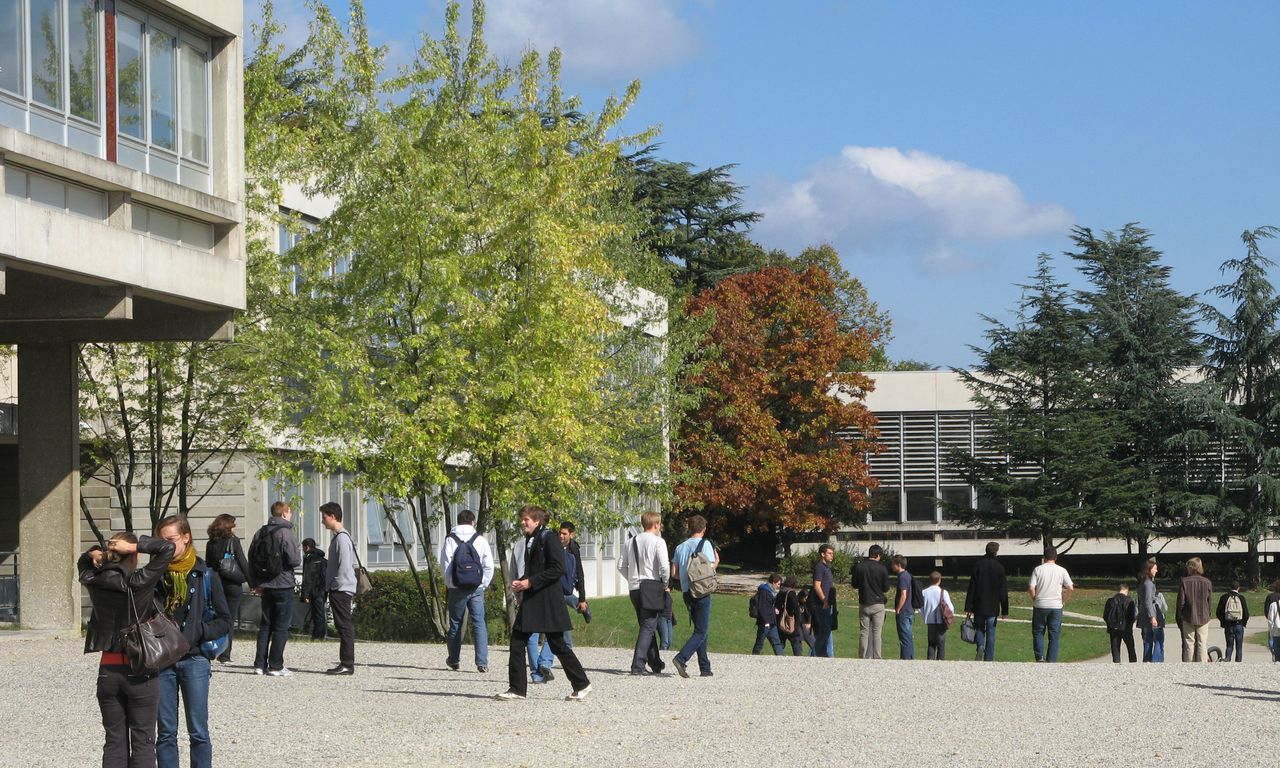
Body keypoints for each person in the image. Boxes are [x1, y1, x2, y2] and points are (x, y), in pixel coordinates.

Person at [80, 531, 176, 768]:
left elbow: (83, 564)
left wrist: (93, 553)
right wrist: (136, 545)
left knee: (114, 740)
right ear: (133, 556)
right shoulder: (138, 580)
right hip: (140, 668)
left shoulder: (94, 579)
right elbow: (167, 549)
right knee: (143, 741)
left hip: (108, 669)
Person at [153, 515, 232, 768]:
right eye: (161, 541)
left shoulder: (205, 574)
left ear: (186, 537)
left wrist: (198, 631)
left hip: (195, 658)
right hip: (163, 659)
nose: (166, 546)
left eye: (171, 540)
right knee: (165, 733)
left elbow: (225, 620)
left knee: (198, 731)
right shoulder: (155, 575)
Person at [496, 505, 592, 701]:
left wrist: (530, 582)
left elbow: (558, 569)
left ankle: (582, 684)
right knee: (518, 640)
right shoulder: (531, 539)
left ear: (537, 521)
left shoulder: (549, 538)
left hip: (548, 601)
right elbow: (537, 569)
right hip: (533, 599)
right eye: (522, 519)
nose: (523, 522)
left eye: (526, 519)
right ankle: (517, 689)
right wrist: (522, 583)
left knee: (558, 644)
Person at [529, 520, 589, 684]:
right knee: (557, 632)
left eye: (564, 534)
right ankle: (544, 664)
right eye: (559, 533)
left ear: (572, 534)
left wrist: (582, 599)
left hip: (565, 591)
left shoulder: (574, 548)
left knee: (558, 632)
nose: (561, 536)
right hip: (552, 592)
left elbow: (579, 572)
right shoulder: (551, 545)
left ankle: (544, 666)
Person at [248, 500, 302, 676]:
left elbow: (251, 557)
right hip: (283, 583)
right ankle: (276, 665)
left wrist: (255, 582)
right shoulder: (286, 532)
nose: (291, 515)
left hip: (265, 585)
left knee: (266, 625)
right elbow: (294, 560)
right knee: (281, 626)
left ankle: (259, 664)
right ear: (284, 513)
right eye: (290, 512)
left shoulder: (261, 532)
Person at [439, 509, 495, 674]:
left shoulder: (450, 539)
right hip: (476, 587)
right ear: (473, 522)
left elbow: (446, 565)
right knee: (479, 623)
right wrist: (483, 583)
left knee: (455, 623)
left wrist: (450, 584)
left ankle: (454, 659)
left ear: (458, 522)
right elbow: (488, 565)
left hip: (457, 588)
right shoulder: (480, 539)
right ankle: (482, 662)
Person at [618, 511, 669, 675]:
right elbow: (664, 566)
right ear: (656, 524)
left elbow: (621, 566)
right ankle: (638, 665)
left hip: (634, 588)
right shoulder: (658, 542)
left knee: (647, 625)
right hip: (651, 587)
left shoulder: (630, 541)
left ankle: (655, 663)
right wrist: (665, 583)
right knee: (648, 626)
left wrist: (632, 579)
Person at [670, 514, 717, 677]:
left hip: (686, 591)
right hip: (701, 591)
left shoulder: (680, 547)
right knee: (701, 631)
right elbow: (709, 569)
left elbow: (674, 574)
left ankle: (705, 667)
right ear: (704, 529)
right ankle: (681, 658)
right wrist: (716, 562)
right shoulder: (705, 544)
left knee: (700, 629)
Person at [204, 515, 248, 664]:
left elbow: (208, 565)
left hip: (216, 584)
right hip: (232, 584)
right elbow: (242, 562)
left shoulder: (210, 543)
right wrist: (252, 582)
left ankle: (212, 649)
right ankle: (225, 654)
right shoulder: (233, 541)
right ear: (228, 527)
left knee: (216, 617)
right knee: (229, 619)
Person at [321, 502, 357, 675]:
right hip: (340, 587)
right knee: (342, 625)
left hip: (341, 588)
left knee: (344, 626)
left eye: (324, 517)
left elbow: (343, 566)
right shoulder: (339, 537)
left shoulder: (342, 538)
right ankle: (346, 663)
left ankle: (347, 663)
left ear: (333, 516)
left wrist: (334, 585)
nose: (323, 521)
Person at [965, 541, 1009, 662]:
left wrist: (968, 606)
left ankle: (980, 646)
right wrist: (1005, 610)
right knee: (991, 632)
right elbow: (1003, 591)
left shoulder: (978, 565)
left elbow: (972, 587)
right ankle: (989, 657)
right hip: (993, 606)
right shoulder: (999, 567)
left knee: (979, 628)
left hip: (979, 604)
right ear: (996, 552)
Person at [1028, 546, 1073, 663]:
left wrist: (1035, 598)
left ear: (1044, 557)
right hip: (1056, 605)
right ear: (1056, 557)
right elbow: (1070, 587)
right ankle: (1052, 660)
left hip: (1040, 604)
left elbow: (1031, 587)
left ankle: (1040, 657)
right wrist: (1064, 600)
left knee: (1038, 631)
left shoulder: (1038, 569)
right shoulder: (1061, 570)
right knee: (1054, 633)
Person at [852, 544, 889, 659]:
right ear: (878, 555)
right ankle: (877, 656)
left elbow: (854, 584)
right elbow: (886, 588)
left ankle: (862, 655)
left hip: (864, 602)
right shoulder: (882, 568)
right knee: (877, 632)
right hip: (878, 603)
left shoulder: (859, 567)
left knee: (864, 631)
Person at [1176, 557, 1213, 662]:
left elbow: (1181, 602)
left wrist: (1181, 614)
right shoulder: (1207, 582)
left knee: (1189, 643)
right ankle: (1202, 665)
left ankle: (1189, 665)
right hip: (1204, 616)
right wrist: (1208, 613)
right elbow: (1209, 601)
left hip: (1188, 615)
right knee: (1202, 643)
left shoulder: (1184, 582)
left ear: (1191, 567)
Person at [919, 571, 954, 660]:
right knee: (941, 644)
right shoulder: (943, 592)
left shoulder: (924, 592)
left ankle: (930, 660)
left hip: (930, 621)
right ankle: (940, 661)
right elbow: (950, 607)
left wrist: (924, 618)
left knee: (931, 644)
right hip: (941, 620)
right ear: (939, 580)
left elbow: (921, 608)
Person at [1136, 559, 1166, 663]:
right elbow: (1148, 601)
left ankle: (1147, 660)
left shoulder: (1142, 581)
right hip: (1152, 613)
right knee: (1159, 638)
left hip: (1143, 613)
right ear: (1149, 569)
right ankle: (1156, 660)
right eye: (1155, 568)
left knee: (1147, 639)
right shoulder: (1148, 583)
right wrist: (1152, 617)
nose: (1156, 571)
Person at [299, 538, 328, 641]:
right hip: (322, 589)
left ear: (307, 547)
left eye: (303, 548)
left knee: (317, 614)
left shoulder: (309, 559)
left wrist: (305, 595)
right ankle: (320, 635)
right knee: (320, 613)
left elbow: (307, 578)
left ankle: (317, 636)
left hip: (314, 590)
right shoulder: (322, 558)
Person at [1215, 580, 1249, 663]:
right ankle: (1238, 662)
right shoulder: (1241, 598)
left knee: (1229, 645)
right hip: (1239, 624)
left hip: (1228, 625)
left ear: (1230, 587)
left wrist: (1223, 622)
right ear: (1238, 588)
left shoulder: (1224, 597)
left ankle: (1227, 659)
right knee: (1239, 646)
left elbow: (1218, 612)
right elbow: (1246, 613)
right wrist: (1243, 623)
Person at [1103, 582, 1138, 663]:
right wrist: (1130, 625)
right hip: (1126, 628)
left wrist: (1110, 624)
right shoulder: (1129, 601)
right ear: (1126, 590)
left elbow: (1105, 616)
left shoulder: (1110, 601)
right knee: (1131, 648)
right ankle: (1133, 664)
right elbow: (1132, 616)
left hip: (1114, 628)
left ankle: (1116, 664)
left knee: (1115, 649)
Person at [811, 545, 836, 657]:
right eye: (829, 553)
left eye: (832, 553)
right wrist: (824, 601)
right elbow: (817, 586)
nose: (832, 556)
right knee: (824, 632)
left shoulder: (826, 568)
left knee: (827, 631)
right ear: (822, 554)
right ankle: (813, 655)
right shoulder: (820, 567)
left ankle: (829, 655)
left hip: (828, 604)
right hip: (822, 605)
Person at [752, 574, 785, 655]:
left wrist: (774, 609)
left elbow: (768, 605)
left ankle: (781, 658)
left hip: (771, 621)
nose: (779, 586)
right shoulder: (764, 591)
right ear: (774, 582)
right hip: (765, 622)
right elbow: (762, 607)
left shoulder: (770, 591)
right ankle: (754, 656)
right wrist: (766, 621)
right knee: (760, 641)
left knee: (776, 642)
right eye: (778, 584)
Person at [890, 554, 915, 660]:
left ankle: (906, 658)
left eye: (893, 564)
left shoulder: (902, 577)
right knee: (908, 636)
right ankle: (910, 657)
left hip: (904, 611)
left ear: (899, 565)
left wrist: (898, 609)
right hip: (909, 610)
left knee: (904, 637)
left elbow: (903, 595)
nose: (892, 566)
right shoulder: (908, 575)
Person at [777, 577, 806, 656]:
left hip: (780, 621)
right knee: (796, 643)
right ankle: (798, 658)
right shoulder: (791, 593)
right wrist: (798, 622)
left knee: (780, 643)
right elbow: (796, 609)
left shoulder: (780, 592)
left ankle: (779, 657)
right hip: (790, 621)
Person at [1264, 579, 1280, 662]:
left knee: (1274, 643)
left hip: (1276, 626)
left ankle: (1276, 658)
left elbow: (1267, 612)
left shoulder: (1271, 598)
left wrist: (1270, 628)